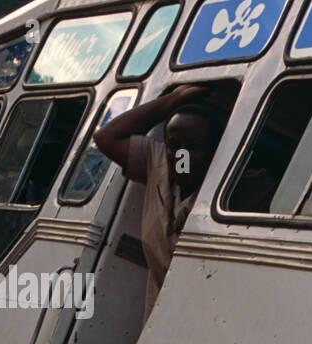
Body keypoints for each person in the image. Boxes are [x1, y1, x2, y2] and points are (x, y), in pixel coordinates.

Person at [93, 85, 228, 324]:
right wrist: (173, 99)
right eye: (174, 144)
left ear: (215, 149)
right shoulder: (158, 164)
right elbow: (106, 137)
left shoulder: (235, 189)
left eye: (193, 146)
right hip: (157, 324)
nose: (181, 156)